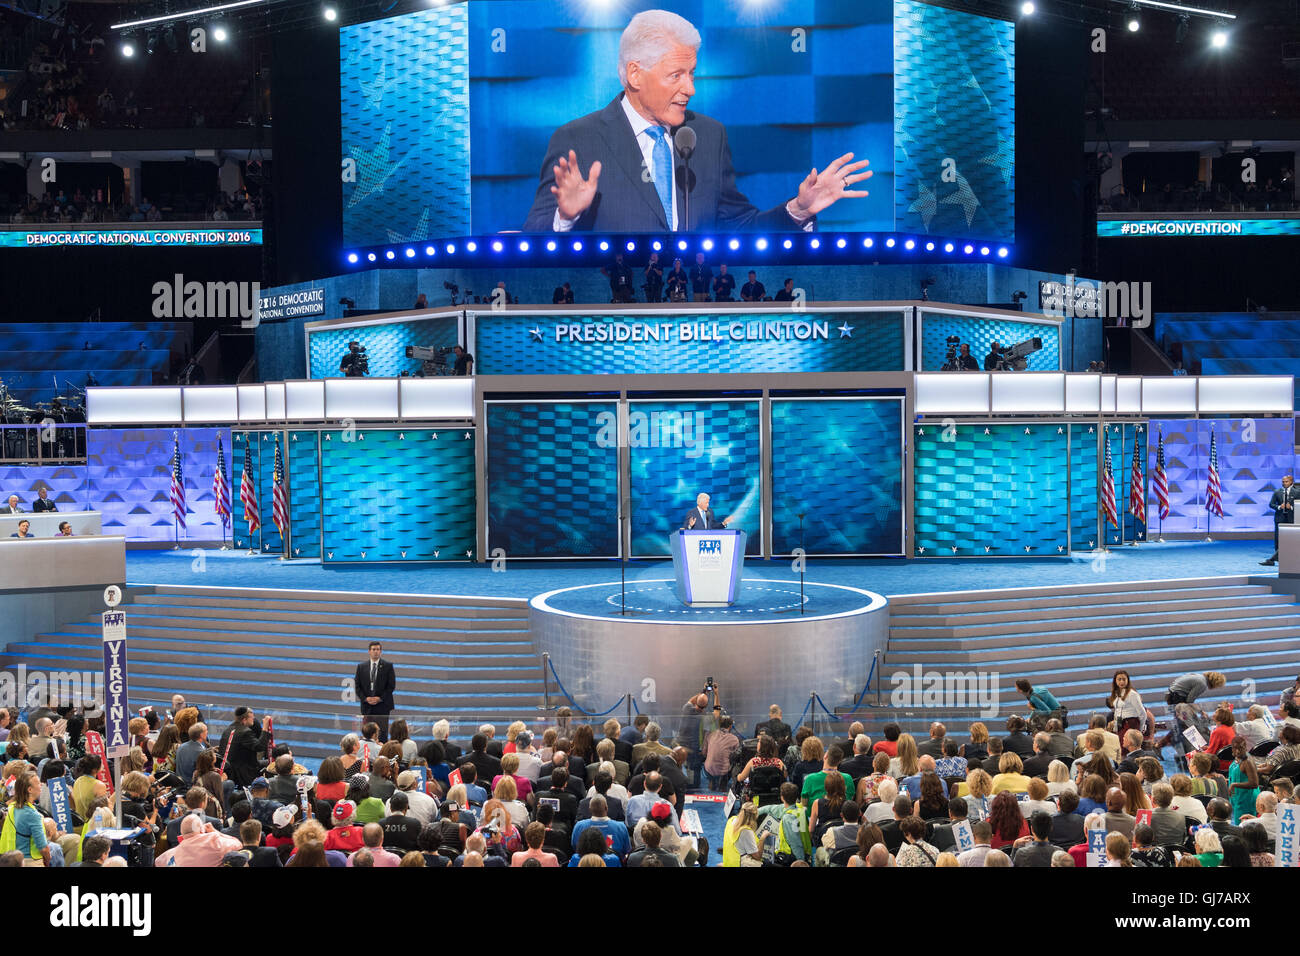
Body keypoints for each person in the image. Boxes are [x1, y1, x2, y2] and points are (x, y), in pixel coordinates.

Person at [522, 10, 870, 234]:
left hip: (696, 331)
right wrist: (565, 218)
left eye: (692, 73)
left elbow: (740, 227)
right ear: (635, 75)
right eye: (676, 75)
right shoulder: (578, 139)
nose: (690, 88)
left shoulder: (707, 135)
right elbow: (533, 237)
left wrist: (798, 210)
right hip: (607, 331)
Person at [353, 641, 395, 742]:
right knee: (367, 734)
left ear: (381, 651)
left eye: (378, 649)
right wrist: (365, 698)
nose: (376, 652)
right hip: (367, 707)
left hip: (382, 706)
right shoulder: (361, 667)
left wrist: (379, 698)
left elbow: (391, 686)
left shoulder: (388, 666)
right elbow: (357, 686)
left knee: (382, 734)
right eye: (373, 649)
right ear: (369, 651)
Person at [1261, 473, 1295, 565]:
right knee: (1278, 539)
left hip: (1293, 519)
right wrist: (1279, 507)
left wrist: (1291, 507)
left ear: (1291, 482)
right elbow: (1271, 504)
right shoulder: (1277, 492)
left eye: (1286, 482)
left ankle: (1281, 558)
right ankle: (1278, 560)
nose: (1284, 483)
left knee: (1291, 539)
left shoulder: (1298, 492)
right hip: (1279, 519)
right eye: (1283, 482)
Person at [1226, 736, 1260, 825]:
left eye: (1240, 748)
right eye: (1235, 748)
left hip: (1247, 799)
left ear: (1245, 747)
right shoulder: (1238, 758)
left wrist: (1234, 785)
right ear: (1232, 748)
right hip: (1238, 796)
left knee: (1244, 826)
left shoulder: (1247, 762)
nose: (1237, 751)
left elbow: (1254, 783)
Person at [1107, 670, 1145, 735]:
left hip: (1131, 724)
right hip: (1121, 724)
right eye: (1119, 679)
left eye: (1124, 679)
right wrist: (1116, 728)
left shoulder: (1132, 694)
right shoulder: (1116, 694)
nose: (1122, 681)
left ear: (1128, 680)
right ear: (1115, 681)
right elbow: (1118, 713)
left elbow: (1142, 713)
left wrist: (1140, 729)